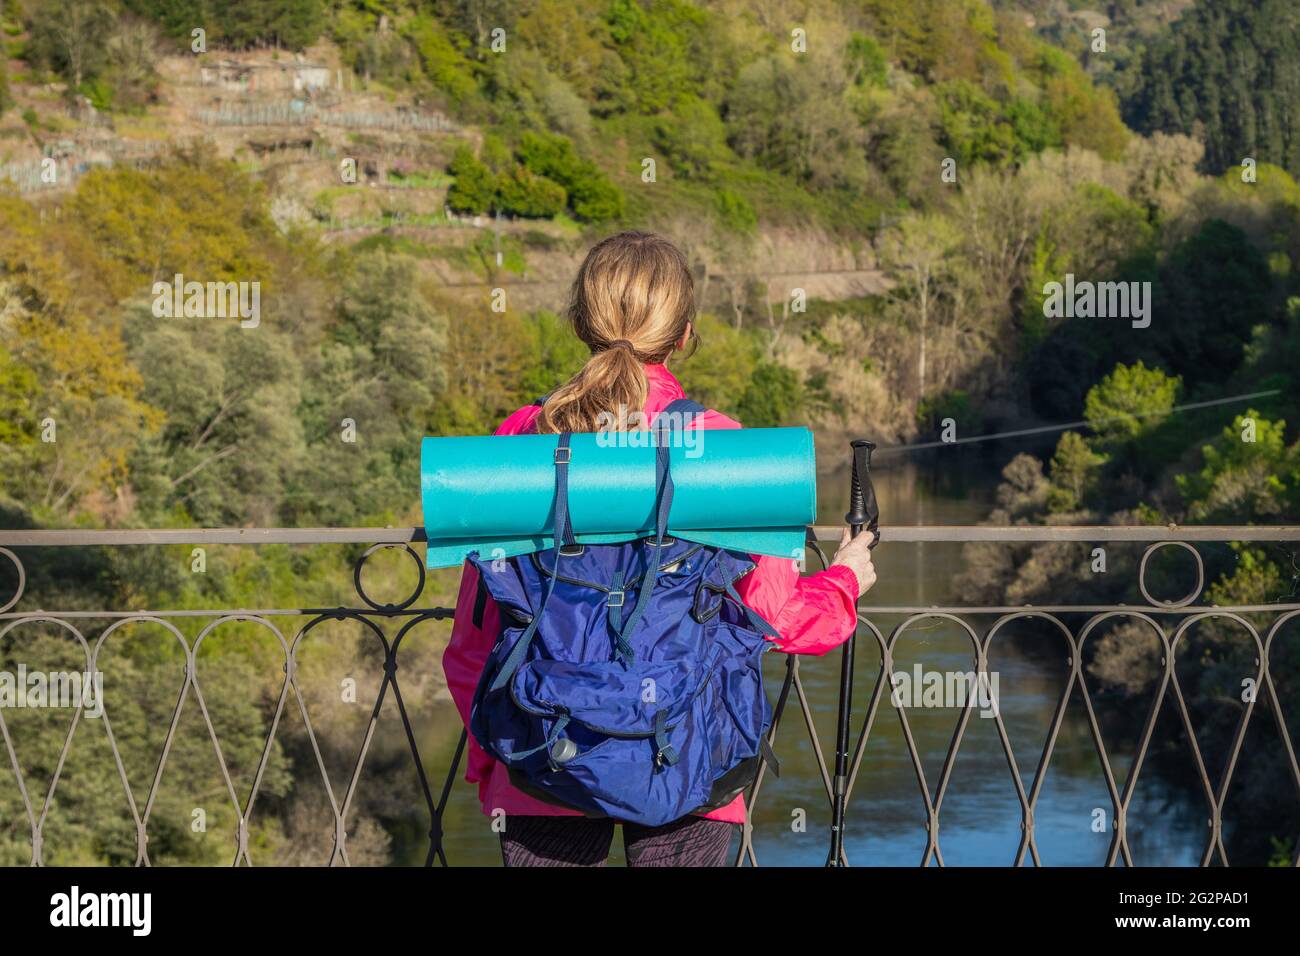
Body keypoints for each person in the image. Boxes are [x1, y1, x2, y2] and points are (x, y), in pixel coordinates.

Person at [443, 230, 877, 867]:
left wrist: (494, 758)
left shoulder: (521, 436)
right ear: (684, 333)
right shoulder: (723, 449)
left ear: (579, 322)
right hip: (690, 756)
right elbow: (777, 619)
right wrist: (842, 582)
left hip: (541, 750)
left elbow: (475, 636)